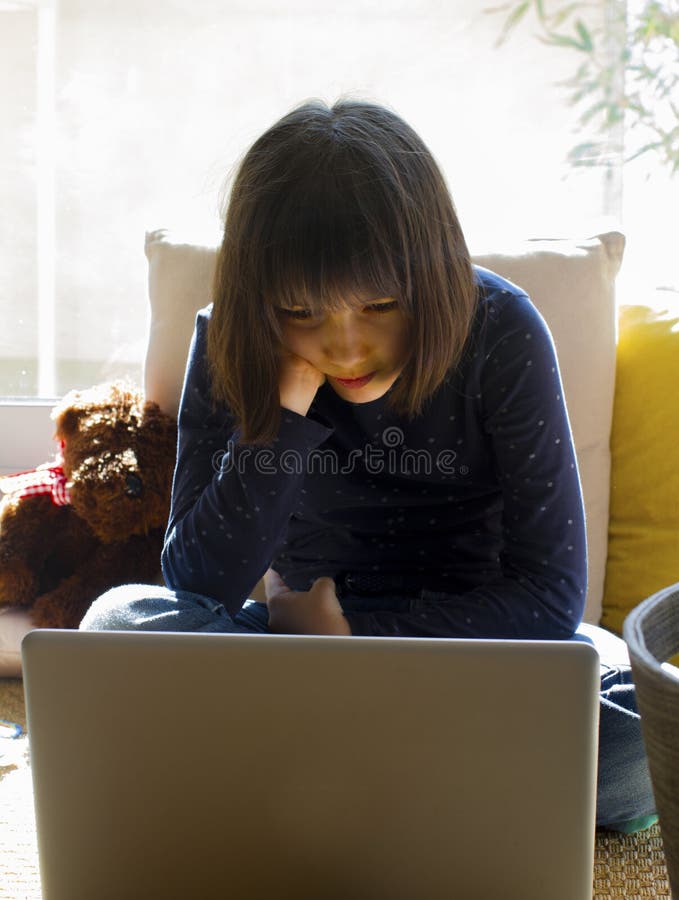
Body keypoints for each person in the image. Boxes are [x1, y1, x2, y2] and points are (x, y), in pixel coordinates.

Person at [81, 97, 656, 832]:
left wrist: (349, 644)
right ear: (262, 301)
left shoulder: (501, 329)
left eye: (379, 305)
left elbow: (548, 597)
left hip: (477, 658)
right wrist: (281, 418)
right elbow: (198, 584)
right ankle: (413, 779)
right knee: (119, 623)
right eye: (302, 313)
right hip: (290, 660)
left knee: (639, 730)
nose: (346, 347)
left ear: (432, 275)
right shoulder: (231, 337)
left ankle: (305, 770)